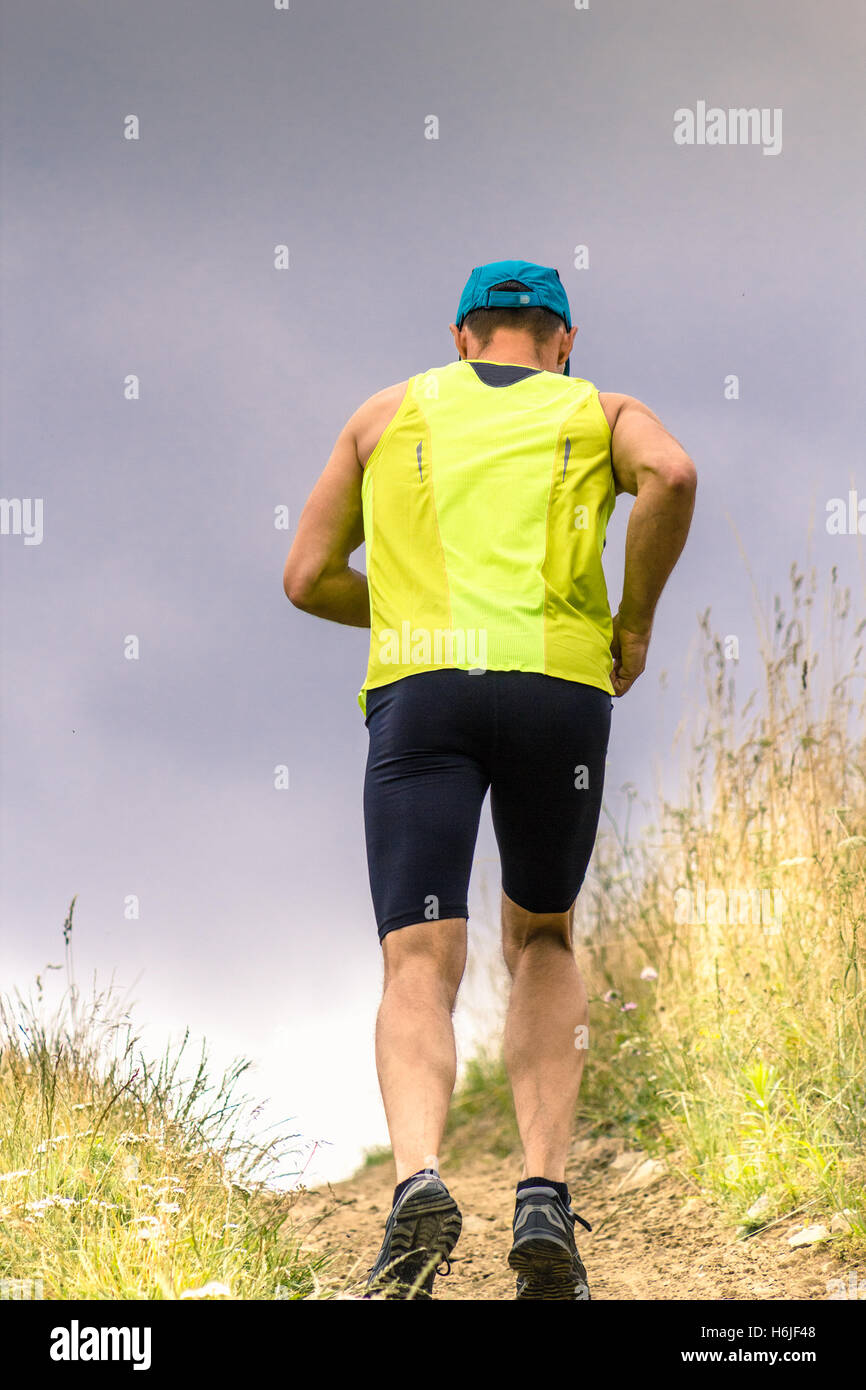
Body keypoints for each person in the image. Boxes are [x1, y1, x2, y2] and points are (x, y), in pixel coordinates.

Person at [283, 259, 697, 1299]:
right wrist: (633, 622)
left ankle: (417, 1177)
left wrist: (414, 613)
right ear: (560, 340)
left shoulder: (385, 414)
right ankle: (542, 1195)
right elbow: (675, 477)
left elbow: (304, 577)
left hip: (424, 695)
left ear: (462, 336)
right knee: (543, 933)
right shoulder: (598, 409)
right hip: (555, 689)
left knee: (417, 957)